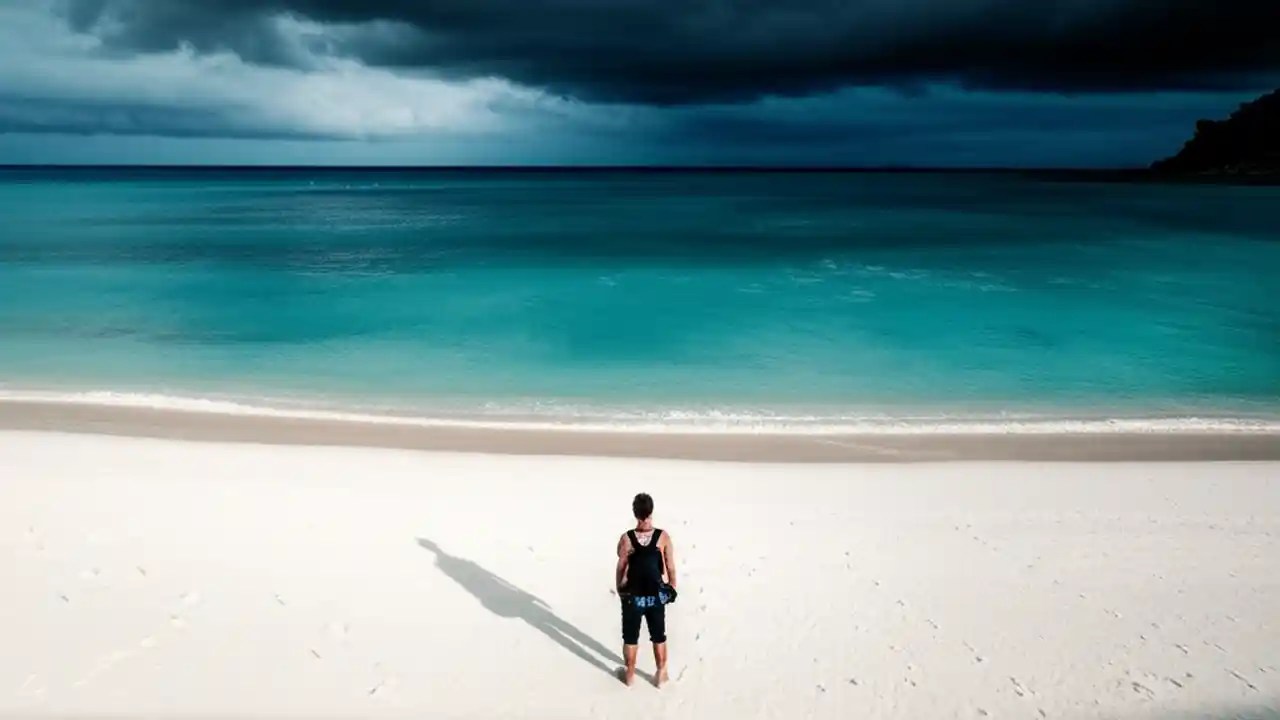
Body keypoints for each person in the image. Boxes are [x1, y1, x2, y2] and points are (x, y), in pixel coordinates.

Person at [615, 492, 677, 687]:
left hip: (633, 595)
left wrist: (620, 590)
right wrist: (672, 588)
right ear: (651, 512)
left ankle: (630, 675)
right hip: (656, 596)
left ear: (635, 513)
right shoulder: (662, 537)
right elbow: (670, 565)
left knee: (630, 637)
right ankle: (660, 674)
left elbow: (621, 566)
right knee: (658, 635)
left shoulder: (626, 538)